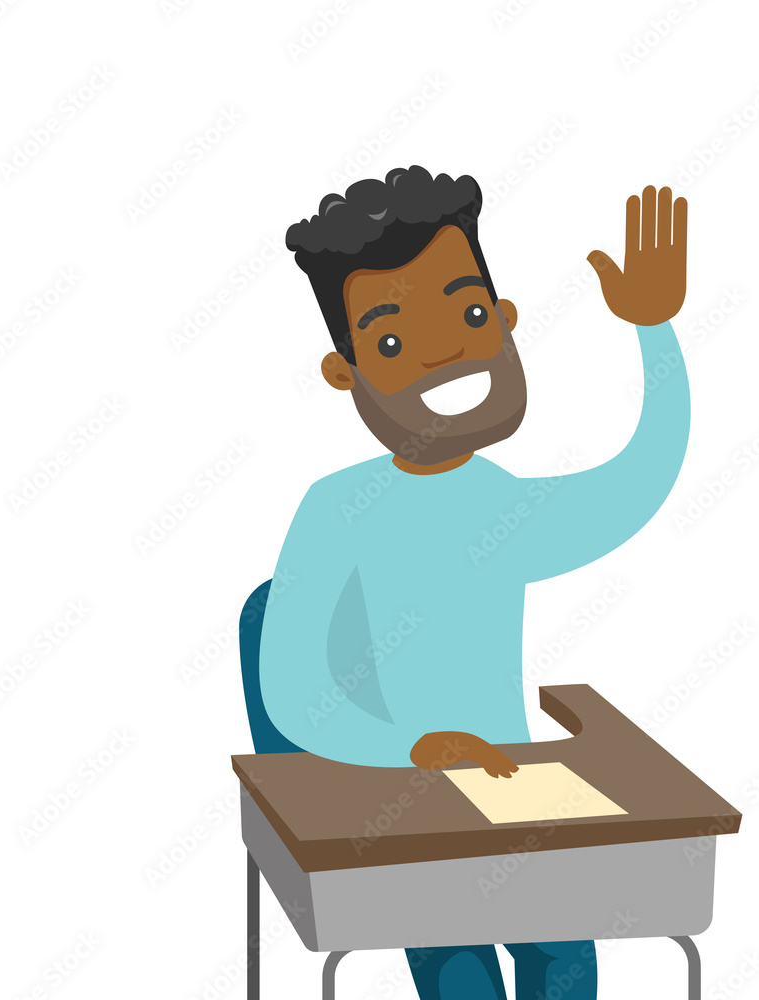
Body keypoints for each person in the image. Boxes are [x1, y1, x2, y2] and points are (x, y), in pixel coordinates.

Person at [260, 165, 690, 1000]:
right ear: (344, 372)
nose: (446, 352)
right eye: (390, 342)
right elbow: (294, 690)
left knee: (565, 961)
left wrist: (654, 330)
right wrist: (412, 750)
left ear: (506, 322)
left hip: (518, 796)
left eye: (469, 314)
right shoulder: (335, 511)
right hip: (400, 804)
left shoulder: (497, 503)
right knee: (458, 971)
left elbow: (637, 483)